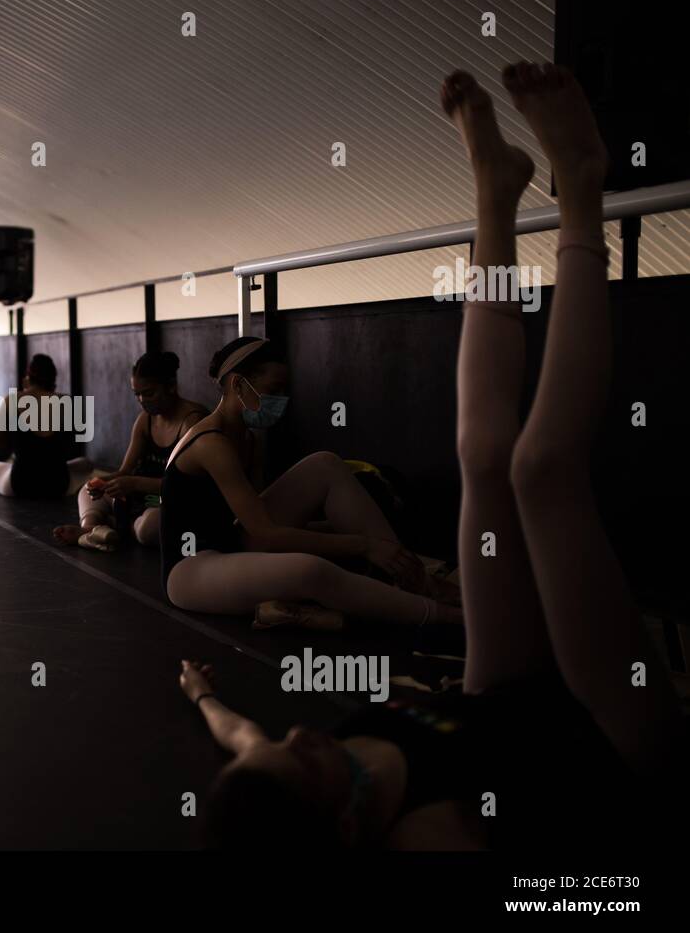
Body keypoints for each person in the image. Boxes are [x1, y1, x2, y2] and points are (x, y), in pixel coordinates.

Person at [175, 63, 687, 850]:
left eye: (281, 749)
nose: (304, 739)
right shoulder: (431, 835)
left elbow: (241, 740)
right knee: (540, 469)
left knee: (481, 450)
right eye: (303, 767)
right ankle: (582, 188)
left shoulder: (279, 764)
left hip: (492, 691)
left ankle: (496, 193)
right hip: (615, 742)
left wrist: (204, 698)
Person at [160, 336, 459, 628]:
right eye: (272, 390)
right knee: (310, 569)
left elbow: (255, 513)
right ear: (239, 384)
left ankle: (410, 576)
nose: (279, 400)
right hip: (190, 568)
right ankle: (443, 616)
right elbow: (266, 534)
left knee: (325, 464)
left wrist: (336, 532)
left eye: (282, 391)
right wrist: (362, 546)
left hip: (230, 542)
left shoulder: (247, 438)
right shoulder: (211, 443)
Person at [53, 351, 206, 551]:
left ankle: (110, 527)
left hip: (177, 504)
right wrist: (103, 484)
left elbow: (189, 487)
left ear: (171, 386)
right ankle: (91, 527)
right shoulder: (145, 420)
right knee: (85, 490)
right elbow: (125, 471)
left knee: (150, 527)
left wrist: (134, 483)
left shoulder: (192, 422)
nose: (142, 400)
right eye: (137, 394)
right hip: (142, 500)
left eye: (149, 393)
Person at [0, 354, 91, 497]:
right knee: (86, 464)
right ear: (53, 380)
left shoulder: (13, 400)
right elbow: (73, 449)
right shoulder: (68, 402)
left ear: (27, 378)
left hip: (21, 483)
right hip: (58, 484)